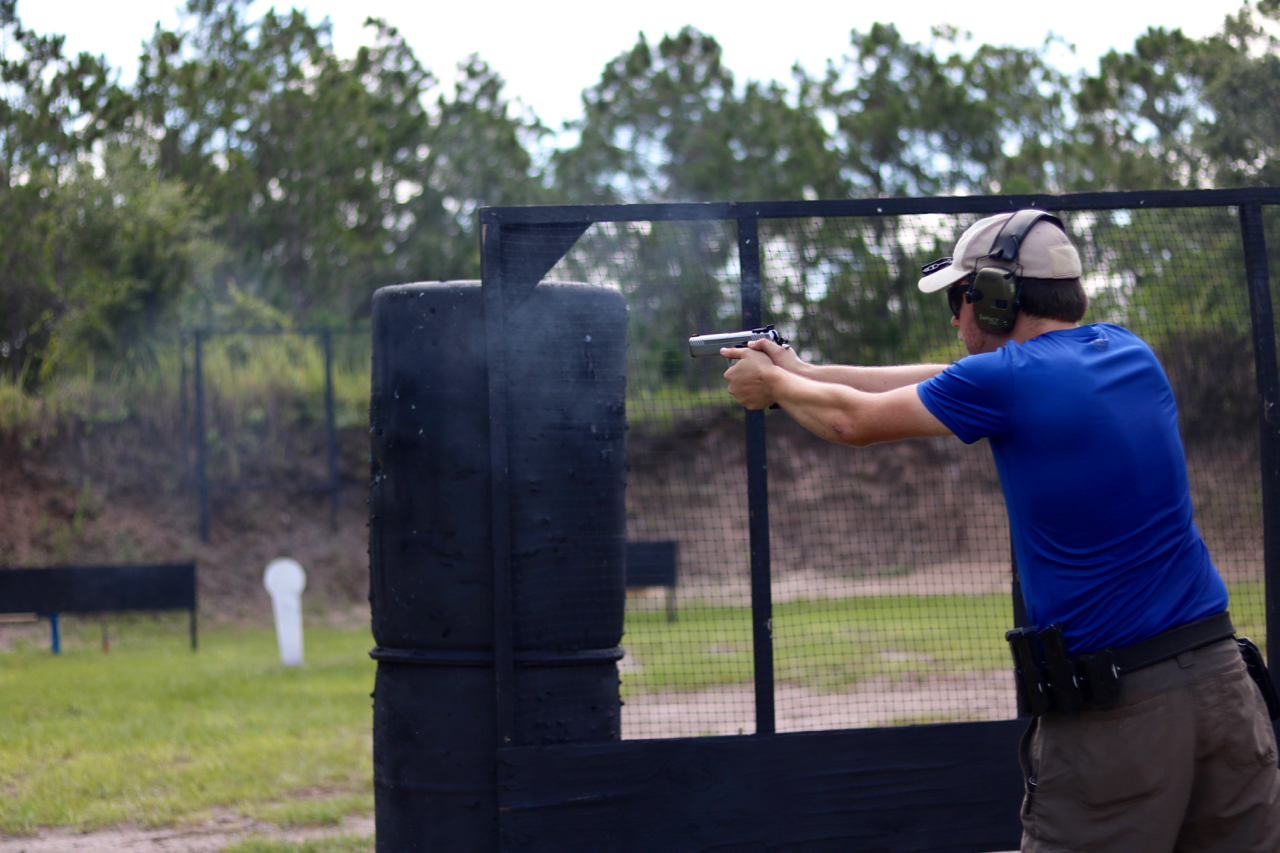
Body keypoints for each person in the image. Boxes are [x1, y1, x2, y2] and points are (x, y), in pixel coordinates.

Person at [721, 210, 1280, 852]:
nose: (956, 317)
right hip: (1225, 694)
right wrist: (805, 374)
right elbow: (936, 377)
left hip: (1120, 716)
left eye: (962, 298)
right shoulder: (1128, 351)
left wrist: (773, 387)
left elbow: (854, 423)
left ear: (996, 299)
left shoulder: (1006, 380)